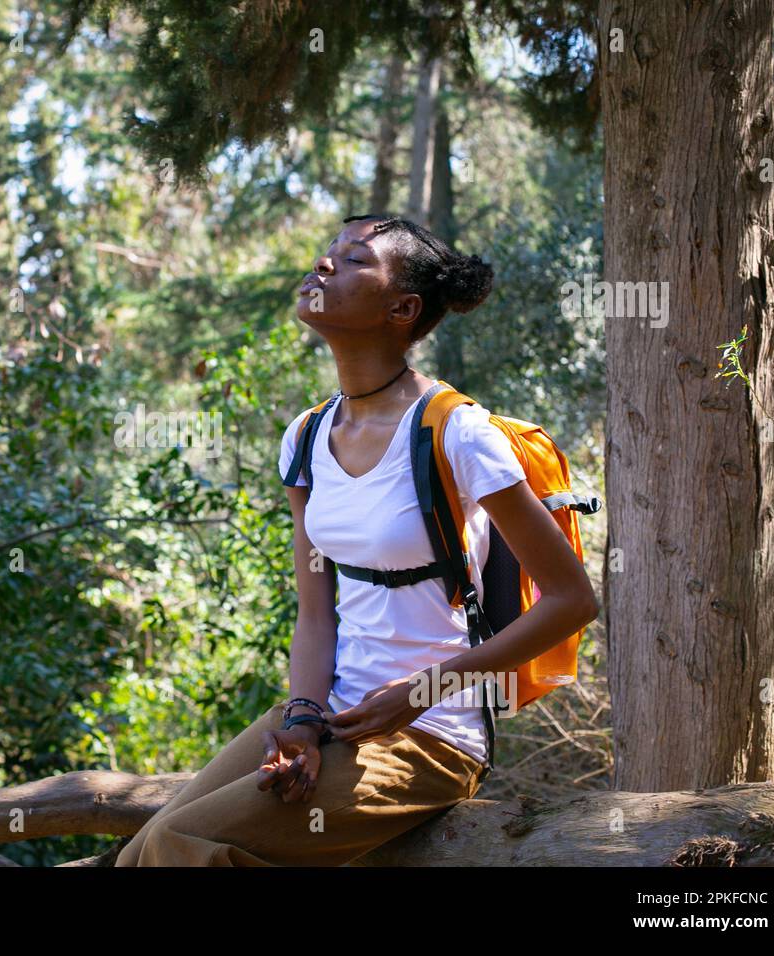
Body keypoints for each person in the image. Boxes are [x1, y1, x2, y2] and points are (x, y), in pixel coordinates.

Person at [114, 214, 600, 867]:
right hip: (333, 712)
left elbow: (572, 600)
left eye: (352, 261)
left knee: (181, 848)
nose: (322, 266)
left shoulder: (457, 433)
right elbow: (315, 613)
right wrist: (303, 722)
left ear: (402, 308)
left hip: (432, 735)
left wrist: (418, 693)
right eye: (327, 254)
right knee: (139, 852)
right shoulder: (306, 437)